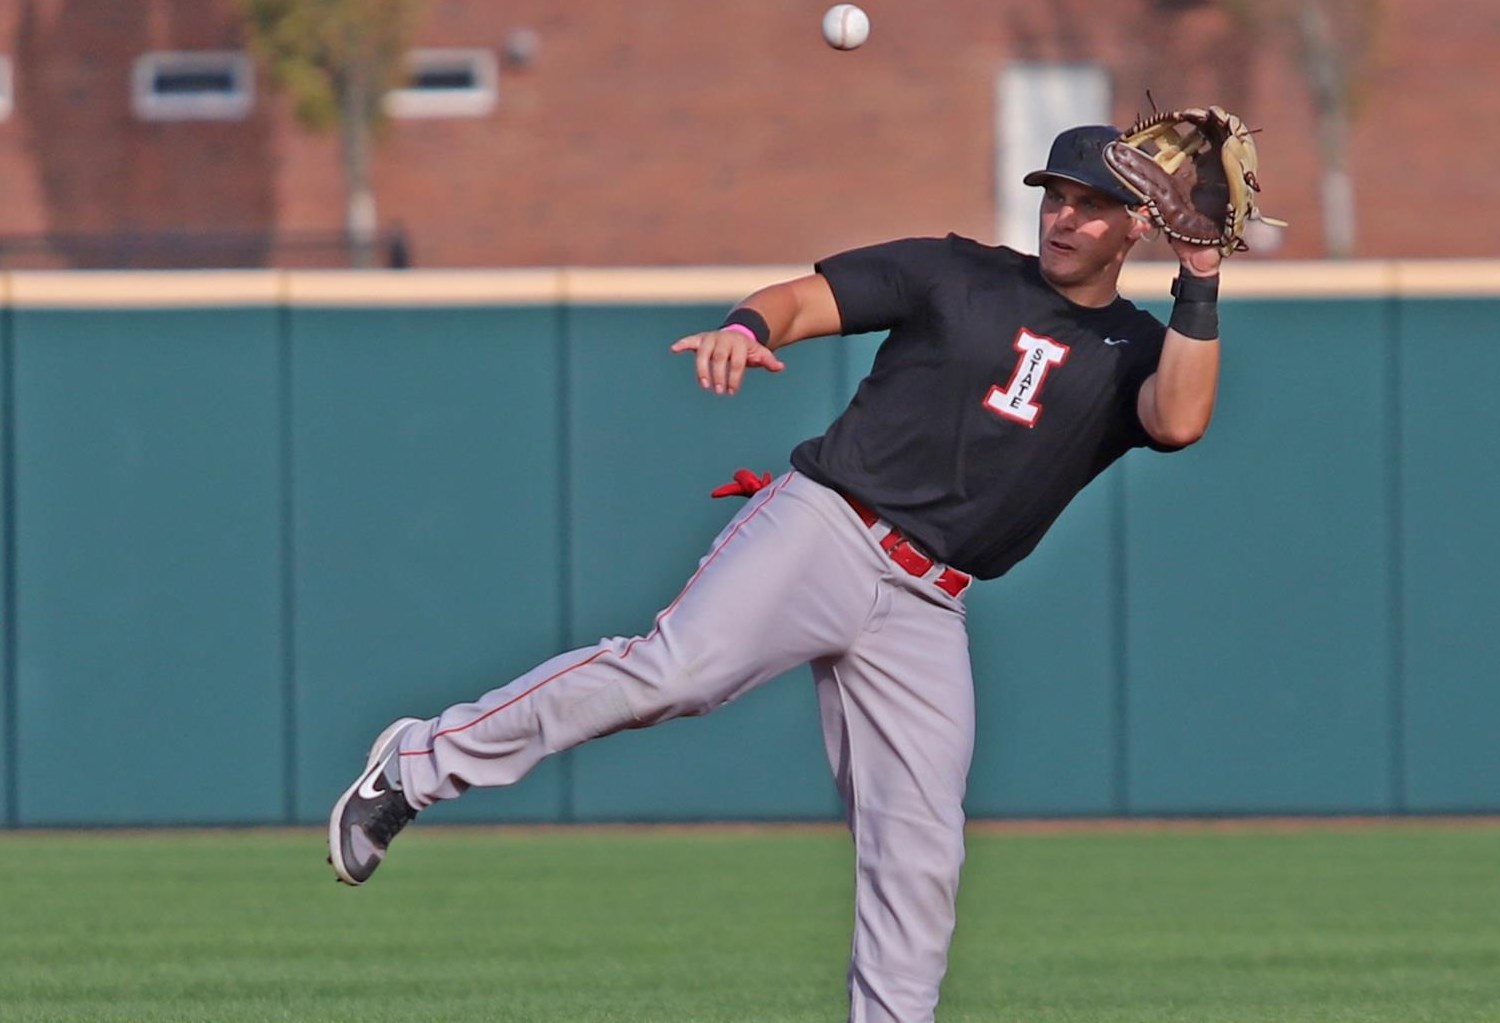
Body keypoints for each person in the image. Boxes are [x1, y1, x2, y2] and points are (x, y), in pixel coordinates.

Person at [328, 123, 1228, 1022]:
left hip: (930, 602)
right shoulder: (957, 270)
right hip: (828, 525)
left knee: (920, 848)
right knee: (672, 672)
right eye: (1056, 197)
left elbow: (1180, 419)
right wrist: (747, 325)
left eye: (1093, 206)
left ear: (1136, 226)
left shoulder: (1136, 349)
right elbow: (803, 298)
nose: (1065, 218)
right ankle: (414, 764)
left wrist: (1201, 277)